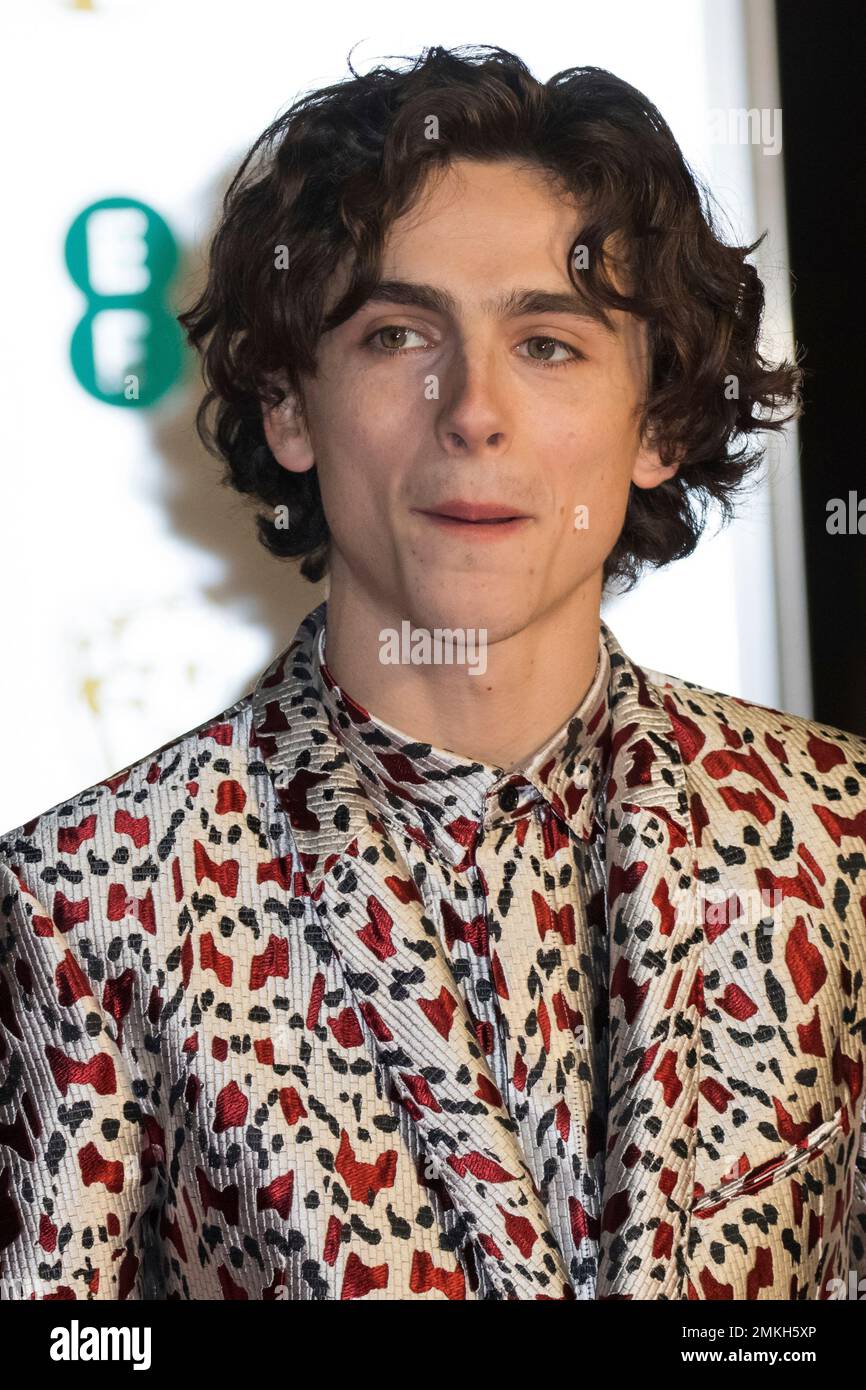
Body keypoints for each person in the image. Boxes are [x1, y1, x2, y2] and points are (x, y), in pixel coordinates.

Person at [1, 44, 864, 1302]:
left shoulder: (832, 844)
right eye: (398, 333)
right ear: (288, 406)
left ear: (661, 422)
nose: (472, 410)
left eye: (550, 344)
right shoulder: (90, 904)